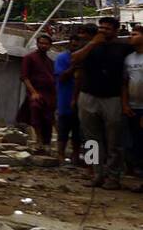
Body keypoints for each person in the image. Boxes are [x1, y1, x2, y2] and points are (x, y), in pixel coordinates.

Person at [71, 16, 133, 189]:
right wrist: (93, 44)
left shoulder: (124, 47)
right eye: (101, 27)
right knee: (91, 139)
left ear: (115, 30)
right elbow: (74, 59)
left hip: (113, 98)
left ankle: (113, 177)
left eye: (107, 28)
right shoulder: (89, 46)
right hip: (88, 95)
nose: (103, 31)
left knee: (115, 141)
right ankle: (96, 173)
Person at [54, 26, 91, 166]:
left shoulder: (87, 57)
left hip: (83, 101)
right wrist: (74, 67)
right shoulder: (62, 58)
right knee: (64, 129)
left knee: (79, 132)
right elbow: (61, 77)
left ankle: (78, 158)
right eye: (74, 43)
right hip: (65, 99)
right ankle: (61, 156)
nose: (76, 46)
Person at [18, 33, 57, 153]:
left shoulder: (50, 62)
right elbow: (24, 77)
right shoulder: (29, 58)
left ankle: (46, 143)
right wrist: (33, 92)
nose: (43, 46)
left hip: (49, 94)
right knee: (35, 112)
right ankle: (38, 140)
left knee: (48, 118)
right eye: (41, 43)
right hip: (35, 92)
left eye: (46, 44)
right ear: (37, 43)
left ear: (50, 45)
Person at [124, 24, 143, 178]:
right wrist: (125, 104)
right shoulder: (129, 58)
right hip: (132, 107)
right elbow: (124, 83)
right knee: (135, 142)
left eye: (135, 34)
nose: (131, 37)